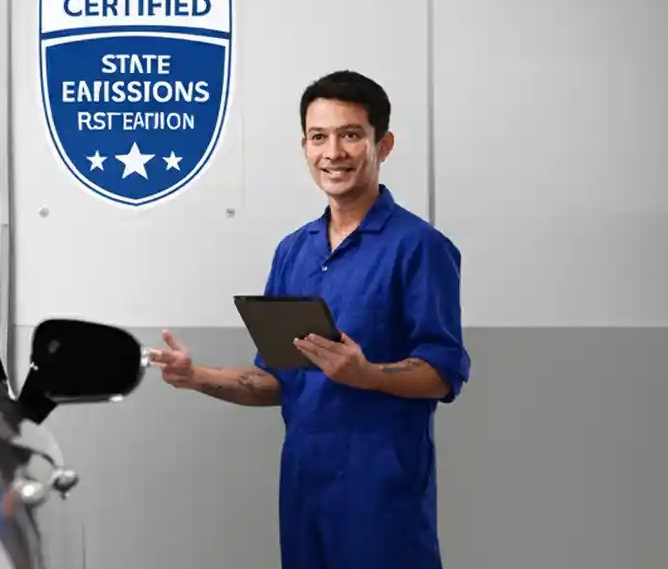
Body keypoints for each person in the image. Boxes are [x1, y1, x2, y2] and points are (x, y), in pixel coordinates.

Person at [148, 70, 470, 569]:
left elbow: (443, 373)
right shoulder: (294, 251)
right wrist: (196, 376)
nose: (333, 152)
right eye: (319, 137)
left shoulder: (419, 248)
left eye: (351, 134)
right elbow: (274, 381)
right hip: (304, 485)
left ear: (383, 145)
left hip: (380, 490)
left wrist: (367, 374)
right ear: (305, 147)